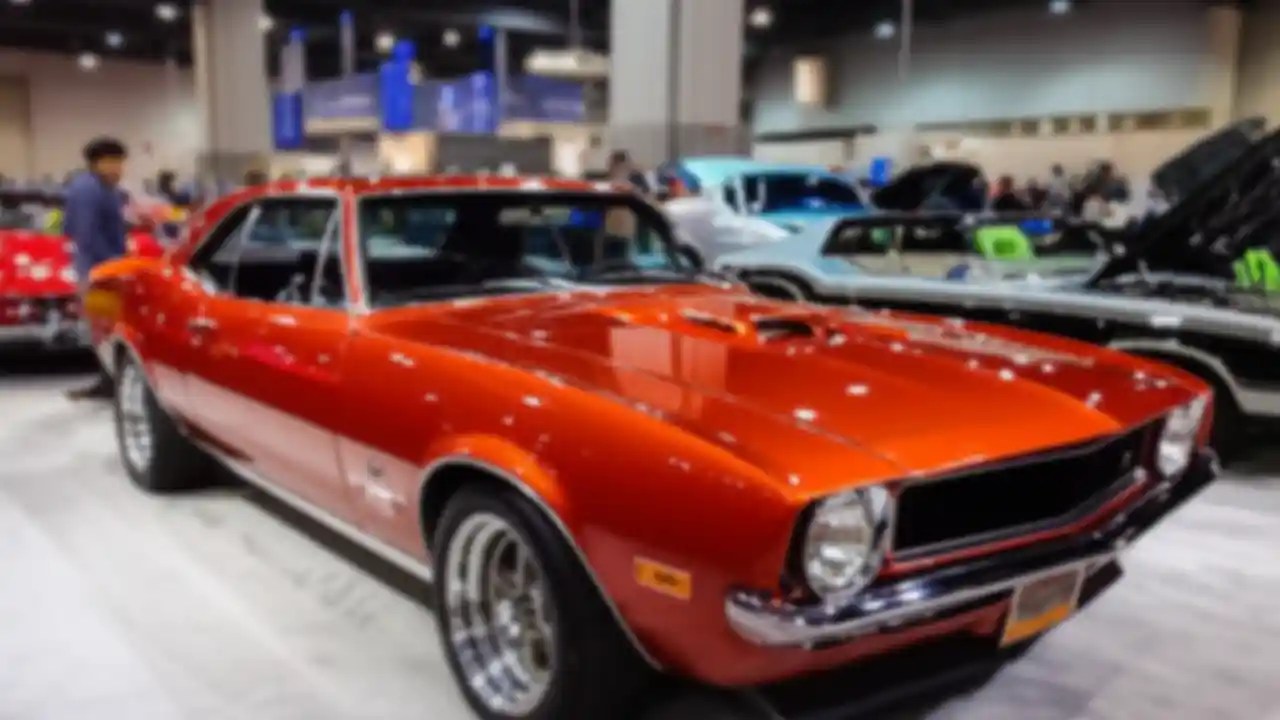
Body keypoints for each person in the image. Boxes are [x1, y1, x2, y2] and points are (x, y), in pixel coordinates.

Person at [64, 137, 129, 401]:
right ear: (96, 163)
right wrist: (111, 266)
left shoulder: (107, 189)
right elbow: (84, 234)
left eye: (121, 163)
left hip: (107, 267)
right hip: (97, 271)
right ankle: (108, 384)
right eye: (112, 162)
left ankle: (110, 381)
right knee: (103, 327)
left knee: (109, 326)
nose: (118, 169)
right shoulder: (86, 189)